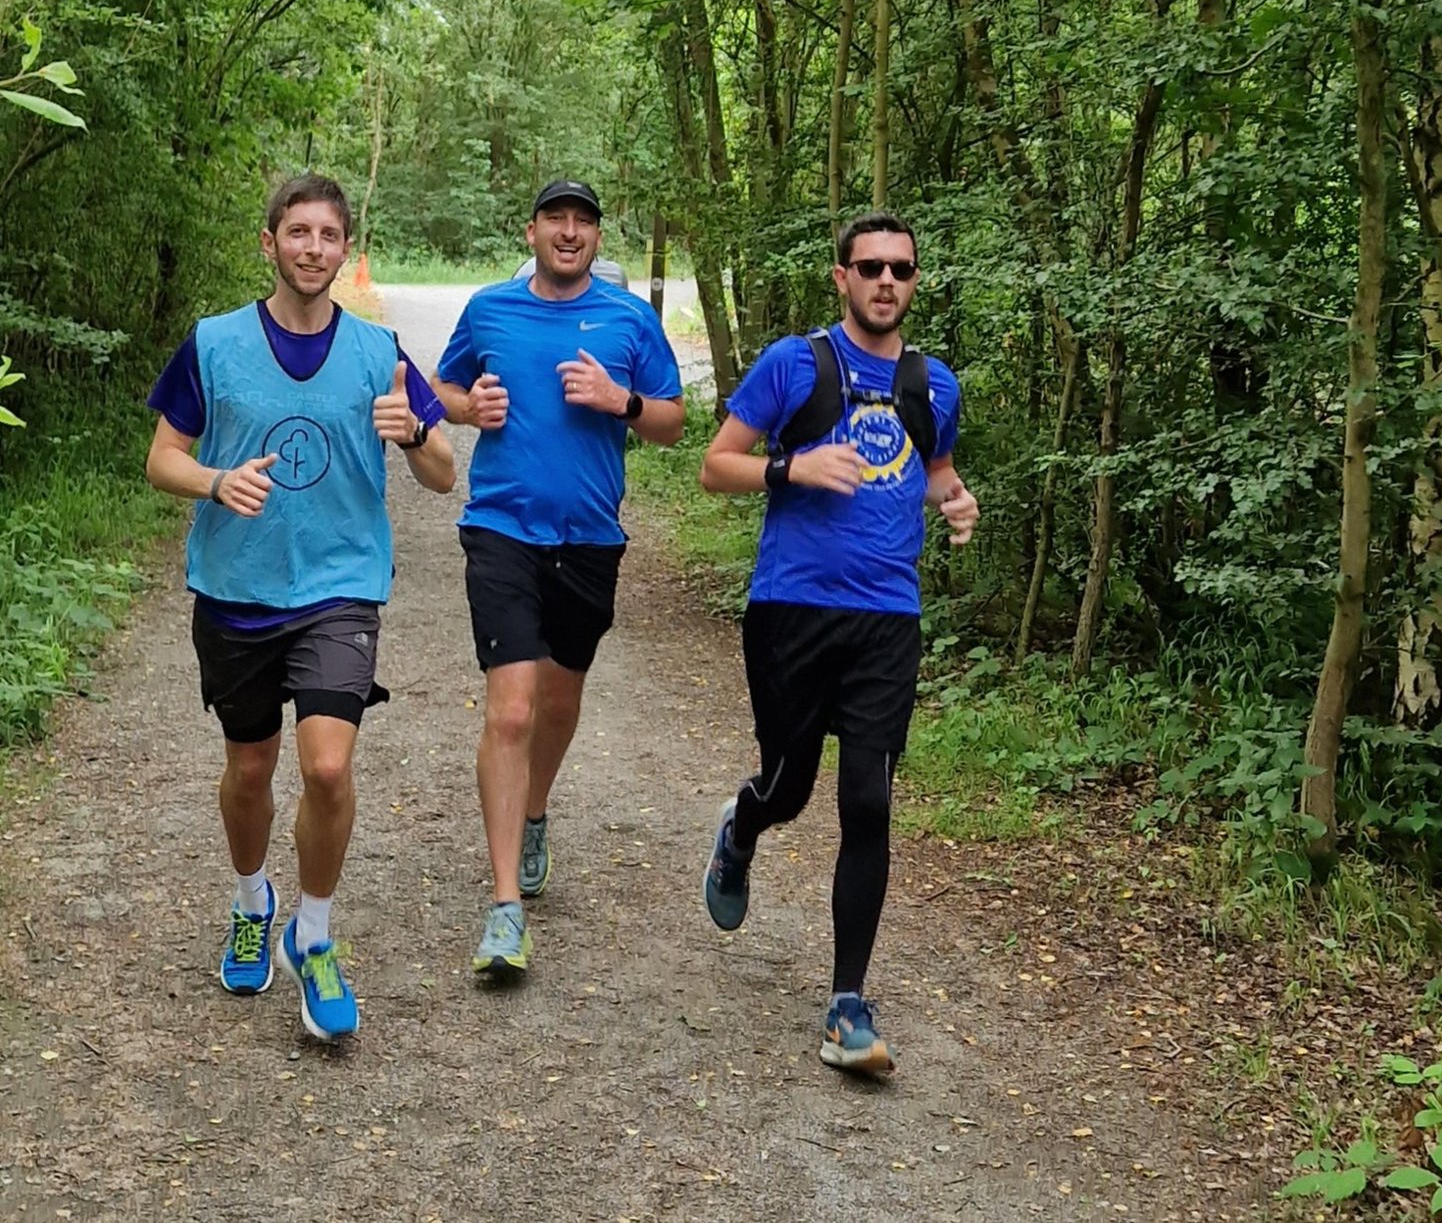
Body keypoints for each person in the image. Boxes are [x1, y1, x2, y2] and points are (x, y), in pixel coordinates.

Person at [144, 174, 454, 1041]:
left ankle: (312, 934)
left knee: (325, 768)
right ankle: (254, 900)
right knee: (249, 772)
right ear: (269, 241)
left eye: (328, 235)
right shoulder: (214, 344)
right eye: (297, 232)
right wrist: (214, 478)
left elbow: (444, 476)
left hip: (340, 588)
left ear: (345, 249)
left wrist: (418, 432)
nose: (313, 248)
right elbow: (161, 458)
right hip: (238, 590)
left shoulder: (380, 352)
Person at [696, 211, 978, 1073]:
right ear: (842, 277)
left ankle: (847, 1003)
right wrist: (792, 467)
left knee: (869, 799)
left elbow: (931, 472)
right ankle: (743, 825)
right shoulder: (796, 365)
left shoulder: (935, 386)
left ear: (915, 281)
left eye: (901, 269)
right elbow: (716, 465)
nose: (886, 281)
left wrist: (956, 503)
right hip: (792, 607)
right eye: (871, 267)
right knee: (790, 785)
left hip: (887, 619)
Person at [433, 179, 686, 977]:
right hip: (502, 528)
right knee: (510, 709)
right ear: (532, 230)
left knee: (560, 701)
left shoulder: (630, 320)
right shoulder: (489, 310)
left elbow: (674, 423)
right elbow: (438, 392)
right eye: (556, 220)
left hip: (589, 539)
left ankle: (534, 810)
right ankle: (505, 907)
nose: (569, 232)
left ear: (597, 238)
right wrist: (469, 407)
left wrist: (622, 399)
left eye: (583, 222)